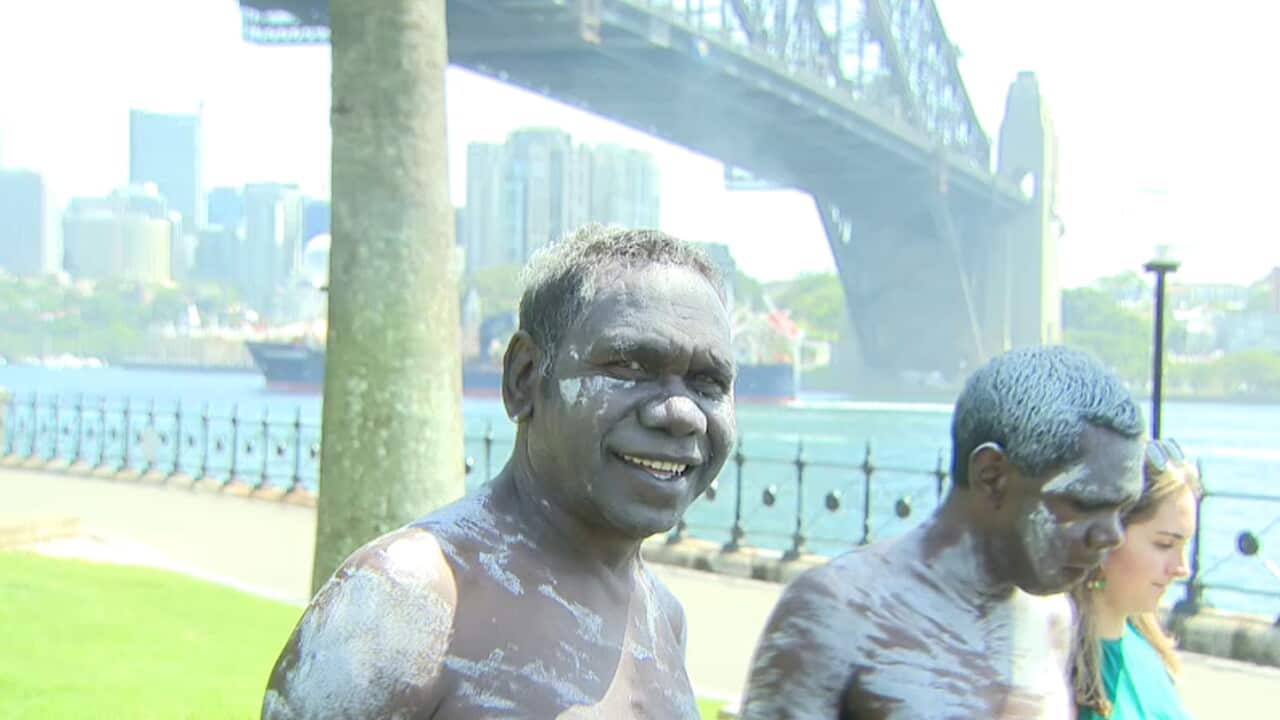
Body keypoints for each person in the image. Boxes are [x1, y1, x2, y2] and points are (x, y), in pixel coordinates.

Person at [262, 226, 737, 719]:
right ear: (524, 379)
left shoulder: (663, 619)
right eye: (629, 367)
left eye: (709, 383)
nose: (682, 413)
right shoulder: (409, 597)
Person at [739, 346, 1146, 720]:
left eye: (1122, 510)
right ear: (992, 477)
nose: (1111, 536)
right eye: (1085, 504)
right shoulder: (839, 612)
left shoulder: (1052, 618)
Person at [1070, 438, 1200, 719]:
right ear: (1104, 538)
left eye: (1184, 545)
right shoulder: (1053, 673)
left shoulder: (1149, 649)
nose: (1182, 568)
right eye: (1165, 545)